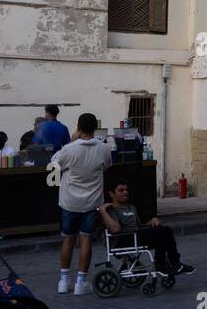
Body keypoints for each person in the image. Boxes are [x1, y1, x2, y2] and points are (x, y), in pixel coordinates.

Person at [51, 113, 114, 295]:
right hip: (91, 202)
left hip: (69, 201)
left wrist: (69, 143)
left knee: (68, 238)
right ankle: (81, 282)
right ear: (95, 128)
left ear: (78, 127)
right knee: (86, 238)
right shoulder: (104, 148)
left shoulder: (69, 149)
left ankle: (63, 281)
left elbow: (53, 167)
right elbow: (107, 166)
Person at [98, 182, 194, 276]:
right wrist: (103, 211)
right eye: (121, 190)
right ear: (112, 194)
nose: (125, 192)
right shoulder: (111, 210)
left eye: (126, 190)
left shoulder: (131, 207)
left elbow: (139, 226)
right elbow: (115, 229)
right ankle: (161, 264)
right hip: (123, 239)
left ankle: (175, 263)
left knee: (166, 230)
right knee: (161, 232)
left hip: (136, 236)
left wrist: (152, 221)